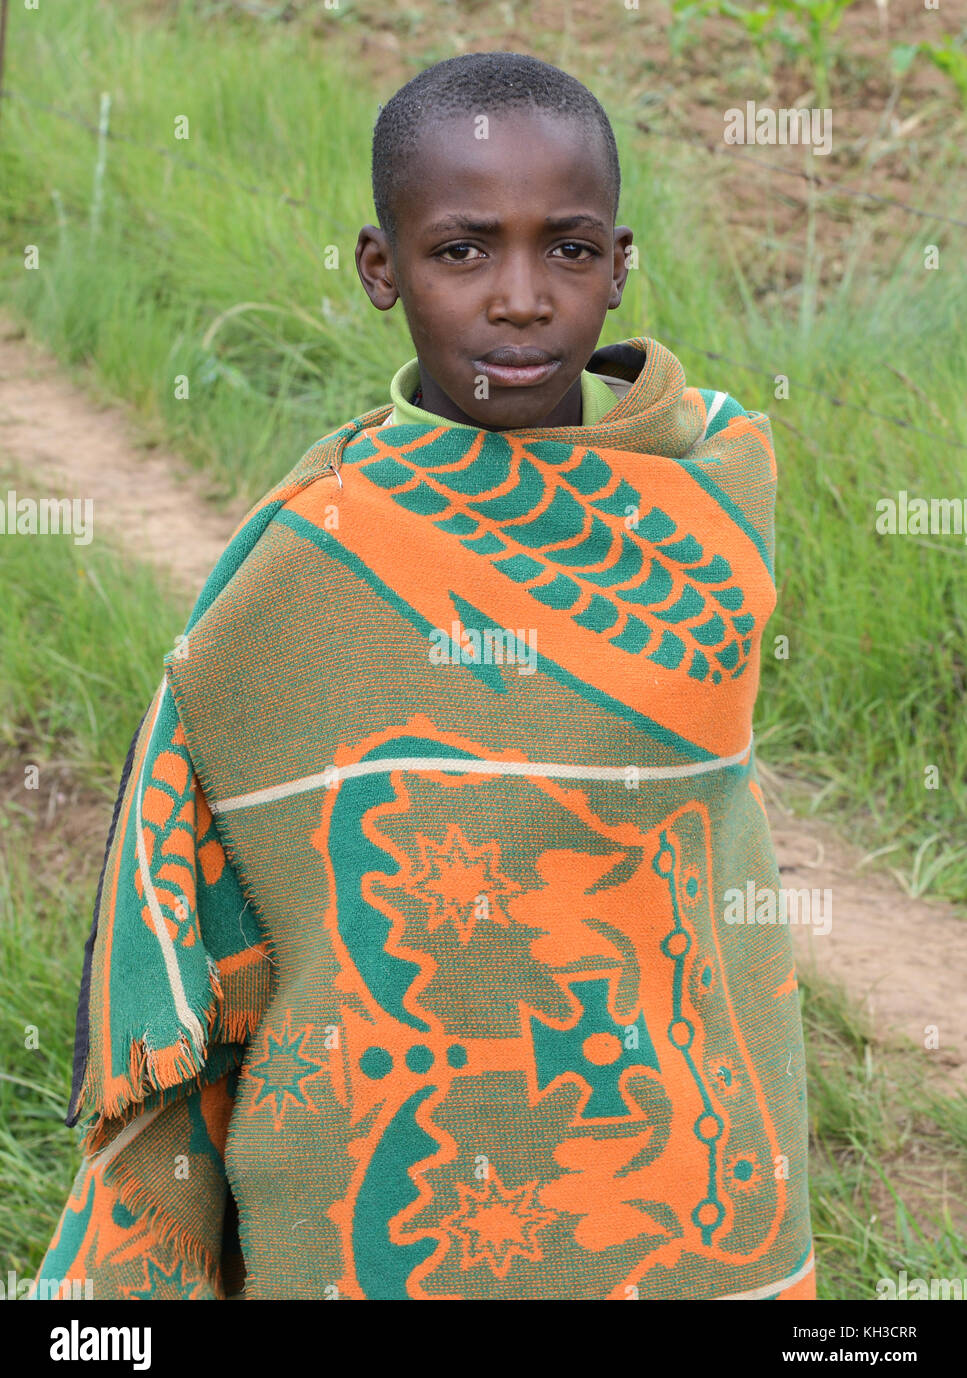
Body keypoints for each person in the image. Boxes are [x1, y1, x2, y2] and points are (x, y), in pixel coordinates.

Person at [35, 50, 815, 1300]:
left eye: (565, 251)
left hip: (682, 1128)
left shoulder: (714, 492)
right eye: (461, 252)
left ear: (618, 266)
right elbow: (197, 812)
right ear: (379, 269)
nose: (519, 299)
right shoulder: (320, 548)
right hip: (381, 1149)